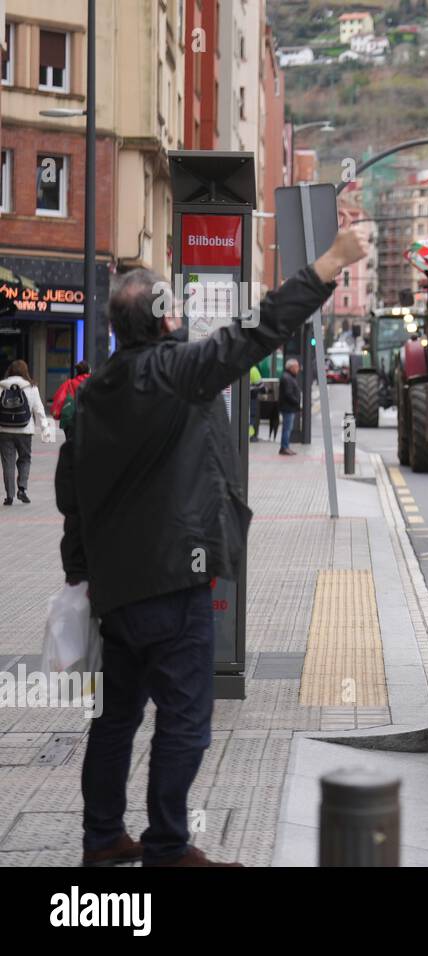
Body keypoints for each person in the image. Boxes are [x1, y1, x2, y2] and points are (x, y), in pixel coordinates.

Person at [57, 227, 366, 867]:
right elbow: (253, 334)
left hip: (118, 597)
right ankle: (168, 847)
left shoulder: (89, 398)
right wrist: (329, 264)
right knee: (185, 722)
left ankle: (102, 840)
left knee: (115, 721)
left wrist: (82, 578)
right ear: (161, 318)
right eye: (175, 307)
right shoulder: (174, 373)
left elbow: (71, 499)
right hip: (174, 585)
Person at [0, 359, 50, 505]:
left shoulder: (2, 386)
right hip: (25, 429)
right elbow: (39, 409)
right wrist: (45, 429)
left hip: (4, 429)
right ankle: (22, 489)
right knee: (25, 459)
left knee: (7, 463)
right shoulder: (31, 387)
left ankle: (9, 495)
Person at [278, 358, 302, 456]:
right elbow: (288, 394)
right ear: (291, 367)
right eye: (296, 367)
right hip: (288, 407)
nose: (298, 369)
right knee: (287, 429)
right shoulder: (287, 378)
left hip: (288, 407)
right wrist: (297, 402)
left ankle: (285, 447)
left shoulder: (288, 377)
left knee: (287, 428)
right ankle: (284, 447)